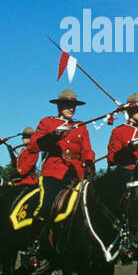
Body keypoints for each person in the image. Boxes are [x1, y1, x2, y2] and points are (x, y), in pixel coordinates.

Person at [24, 89, 95, 261]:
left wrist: (89, 162)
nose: (71, 108)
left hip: (76, 173)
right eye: (67, 105)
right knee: (47, 205)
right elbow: (34, 145)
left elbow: (87, 149)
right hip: (54, 171)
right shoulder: (47, 122)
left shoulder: (81, 126)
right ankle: (34, 243)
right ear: (59, 106)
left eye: (73, 106)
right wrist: (52, 136)